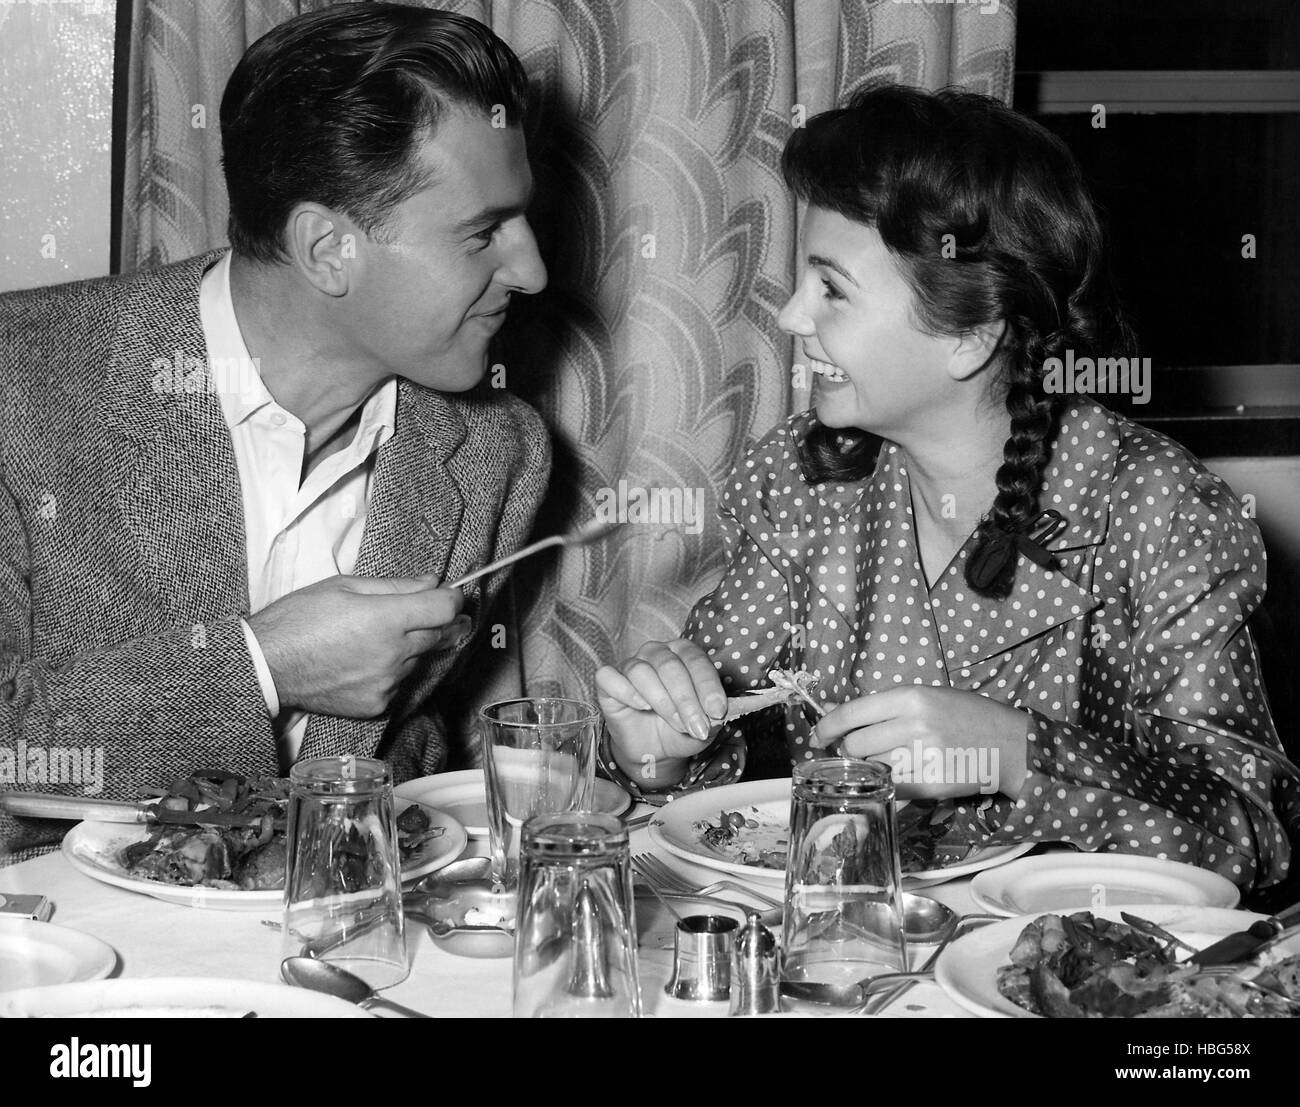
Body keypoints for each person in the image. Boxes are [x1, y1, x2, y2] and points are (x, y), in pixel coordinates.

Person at [596, 85, 1297, 892]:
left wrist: (1019, 752)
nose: (789, 317)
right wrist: (664, 740)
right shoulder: (804, 479)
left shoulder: (1159, 512)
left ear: (968, 334)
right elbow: (720, 730)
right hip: (840, 952)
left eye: (831, 288)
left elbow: (1251, 830)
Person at [0, 5, 550, 858]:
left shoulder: (496, 452)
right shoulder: (19, 385)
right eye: (484, 232)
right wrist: (262, 667)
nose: (532, 269)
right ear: (328, 248)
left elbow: (422, 747)